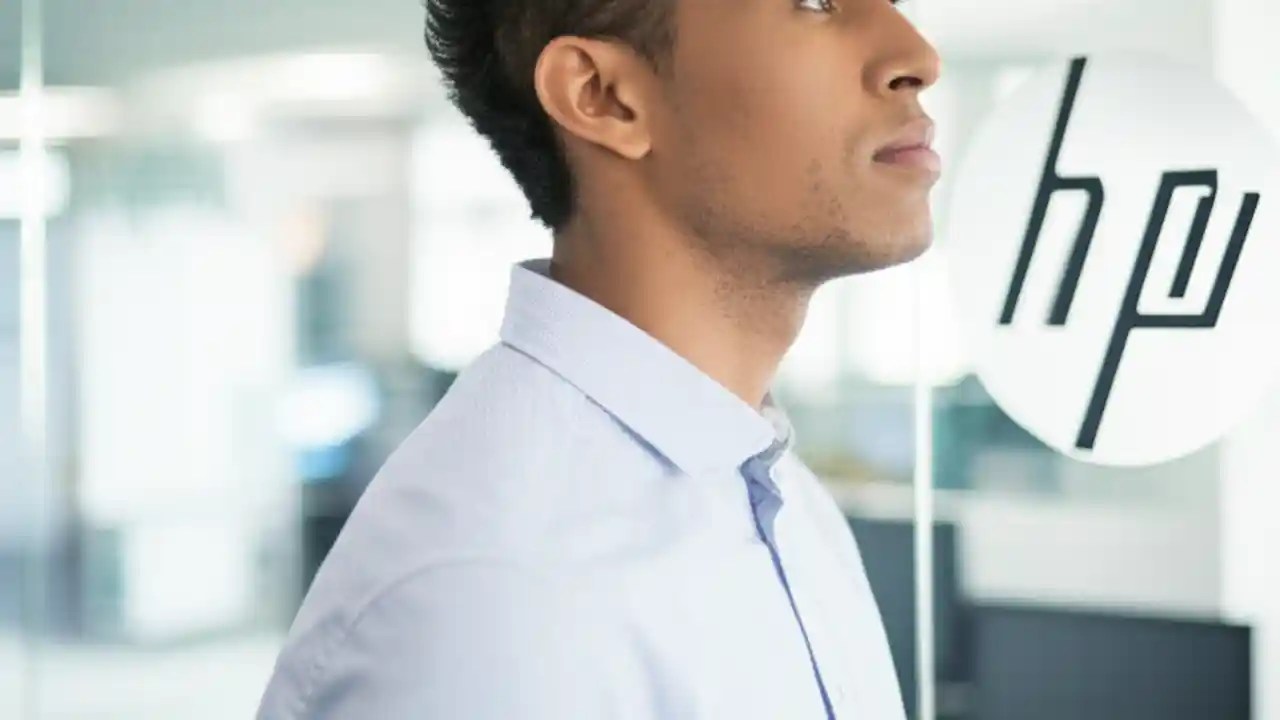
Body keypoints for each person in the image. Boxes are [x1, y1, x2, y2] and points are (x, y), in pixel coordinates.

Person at [257, 0, 940, 717]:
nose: (918, 56)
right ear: (604, 97)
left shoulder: (779, 497)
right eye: (815, 1)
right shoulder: (491, 601)